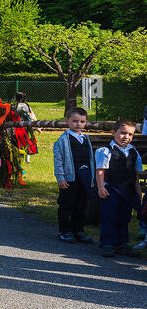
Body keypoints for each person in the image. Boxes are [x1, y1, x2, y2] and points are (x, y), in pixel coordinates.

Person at [95, 119, 143, 257]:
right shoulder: (105, 151)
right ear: (113, 132)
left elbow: (135, 174)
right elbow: (100, 171)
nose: (126, 137)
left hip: (128, 190)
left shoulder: (134, 152)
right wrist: (100, 187)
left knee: (124, 217)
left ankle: (122, 244)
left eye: (130, 134)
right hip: (110, 189)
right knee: (109, 216)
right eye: (123, 133)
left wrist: (138, 190)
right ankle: (107, 243)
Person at [53, 107, 96, 244]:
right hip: (69, 177)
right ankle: (65, 231)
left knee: (81, 204)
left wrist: (92, 177)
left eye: (82, 121)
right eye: (75, 121)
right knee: (67, 204)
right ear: (68, 121)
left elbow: (90, 159)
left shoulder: (86, 138)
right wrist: (60, 177)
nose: (78, 124)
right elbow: (58, 159)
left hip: (85, 176)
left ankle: (78, 230)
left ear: (85, 122)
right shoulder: (63, 140)